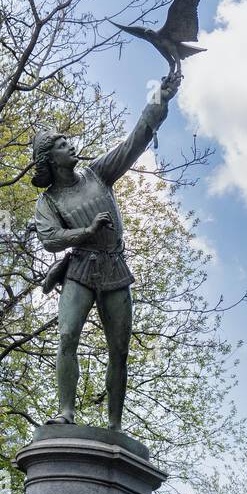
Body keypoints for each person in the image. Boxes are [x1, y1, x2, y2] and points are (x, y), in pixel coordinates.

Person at [31, 71, 181, 431]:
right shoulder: (48, 201)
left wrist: (159, 99)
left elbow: (135, 141)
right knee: (67, 336)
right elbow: (50, 239)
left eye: (68, 141)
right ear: (50, 159)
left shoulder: (98, 174)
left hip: (114, 269)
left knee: (120, 349)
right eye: (61, 144)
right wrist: (87, 231)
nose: (70, 146)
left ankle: (115, 425)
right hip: (80, 269)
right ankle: (66, 411)